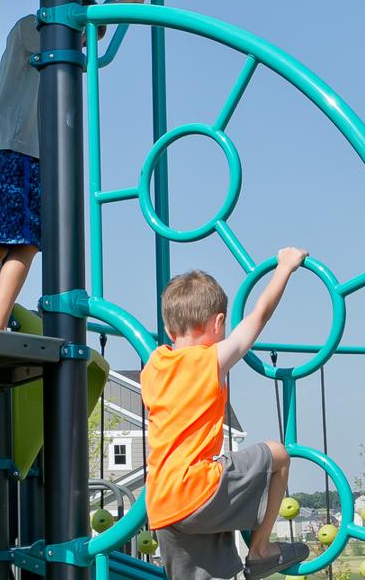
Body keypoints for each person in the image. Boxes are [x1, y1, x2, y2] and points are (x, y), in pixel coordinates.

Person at [0, 0, 146, 330]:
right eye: (84, 37)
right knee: (25, 244)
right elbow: (63, 35)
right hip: (22, 152)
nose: (82, 46)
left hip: (5, 151)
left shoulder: (13, 63)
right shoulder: (32, 30)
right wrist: (121, 5)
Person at [141, 249, 313, 580]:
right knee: (278, 454)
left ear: (168, 328)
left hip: (162, 503)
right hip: (197, 490)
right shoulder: (210, 360)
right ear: (218, 323)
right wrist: (285, 267)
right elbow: (259, 317)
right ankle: (261, 551)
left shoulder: (154, 365)